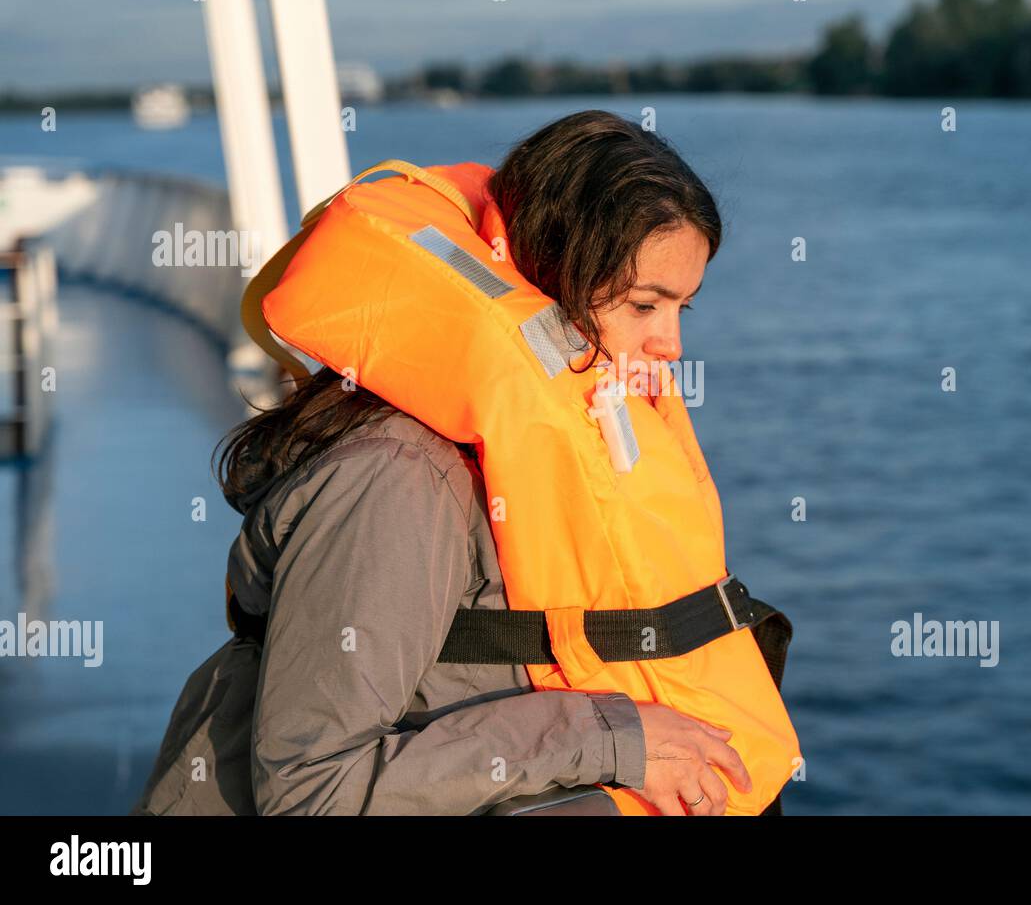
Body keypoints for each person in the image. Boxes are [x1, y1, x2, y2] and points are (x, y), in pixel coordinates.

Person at [133, 109, 756, 816]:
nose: (669, 344)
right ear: (546, 281)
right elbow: (310, 789)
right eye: (645, 305)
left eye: (683, 310)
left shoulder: (538, 448)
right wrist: (607, 736)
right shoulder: (400, 478)